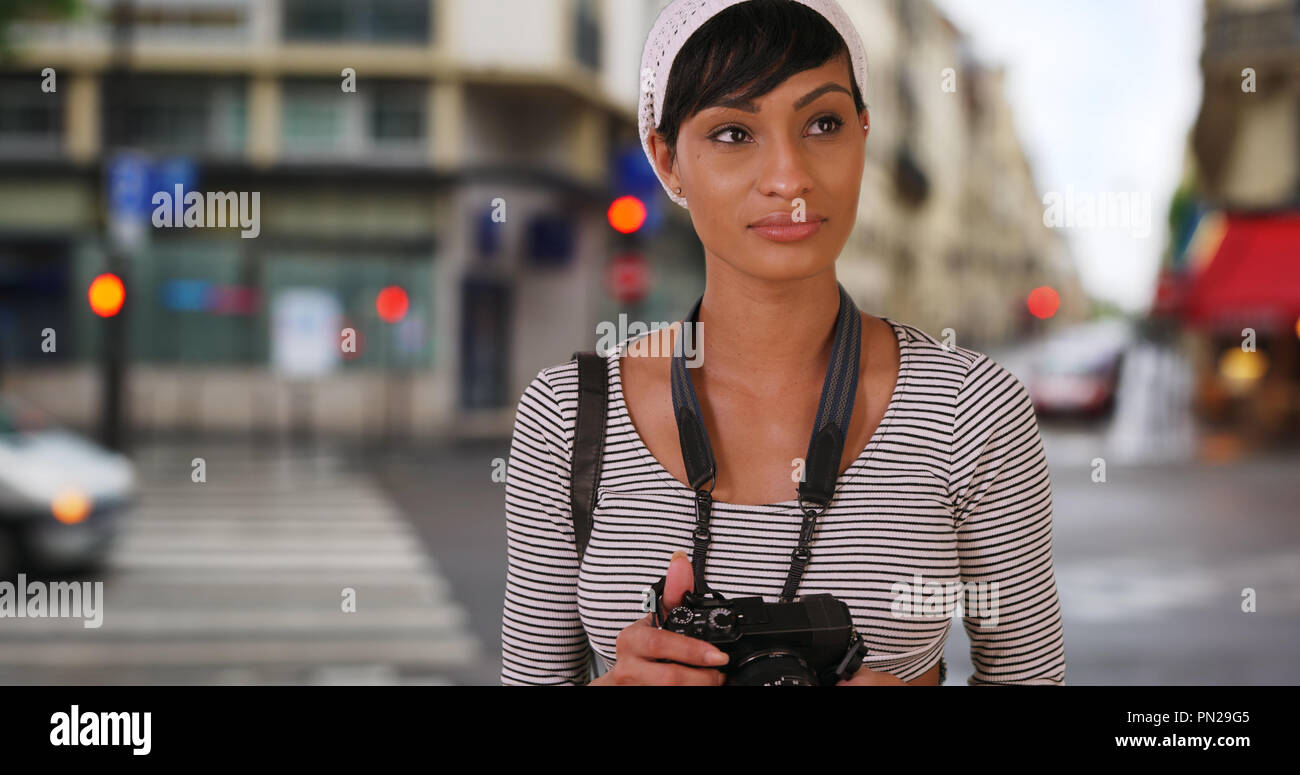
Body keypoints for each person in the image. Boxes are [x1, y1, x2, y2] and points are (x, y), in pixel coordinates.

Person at [500, 0, 1066, 686]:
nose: (789, 179)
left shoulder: (971, 408)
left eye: (822, 123)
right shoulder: (567, 417)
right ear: (666, 159)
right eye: (734, 132)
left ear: (864, 132)